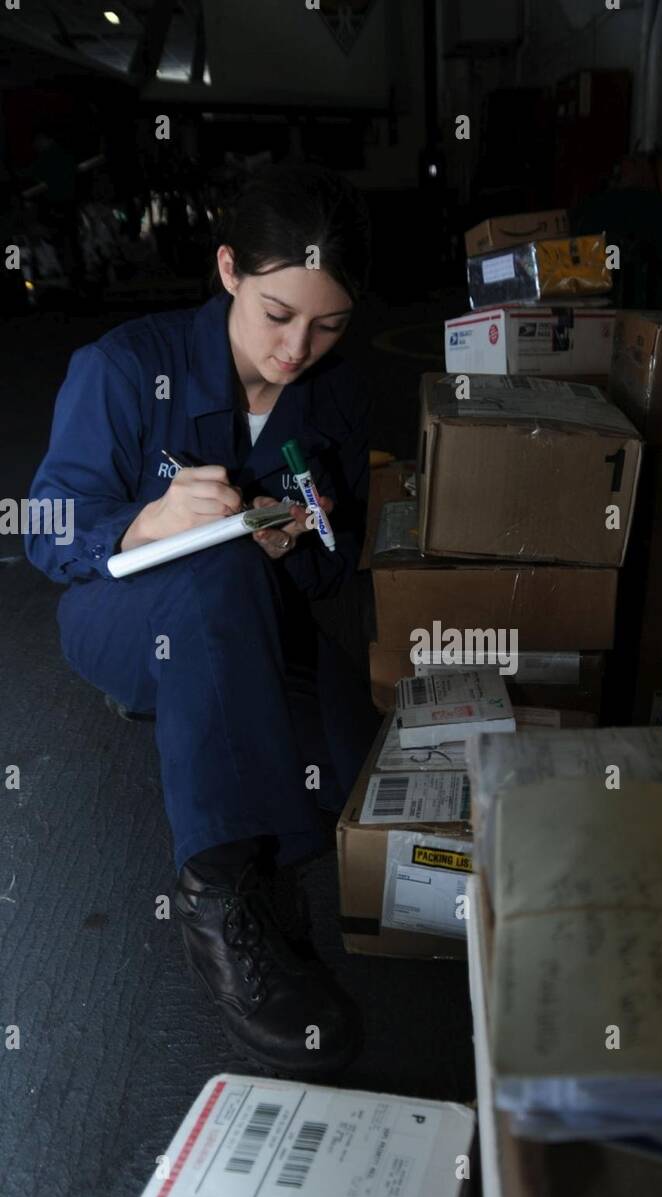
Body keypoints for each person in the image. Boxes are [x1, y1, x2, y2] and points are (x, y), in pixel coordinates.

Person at [24, 162, 382, 1078]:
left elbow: (331, 567)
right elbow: (47, 529)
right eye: (277, 314)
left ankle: (208, 721)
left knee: (356, 769)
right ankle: (223, 901)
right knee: (214, 580)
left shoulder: (333, 395)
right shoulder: (123, 366)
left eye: (328, 324)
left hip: (248, 617)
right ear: (229, 269)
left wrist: (299, 542)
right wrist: (142, 521)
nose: (298, 349)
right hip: (116, 615)